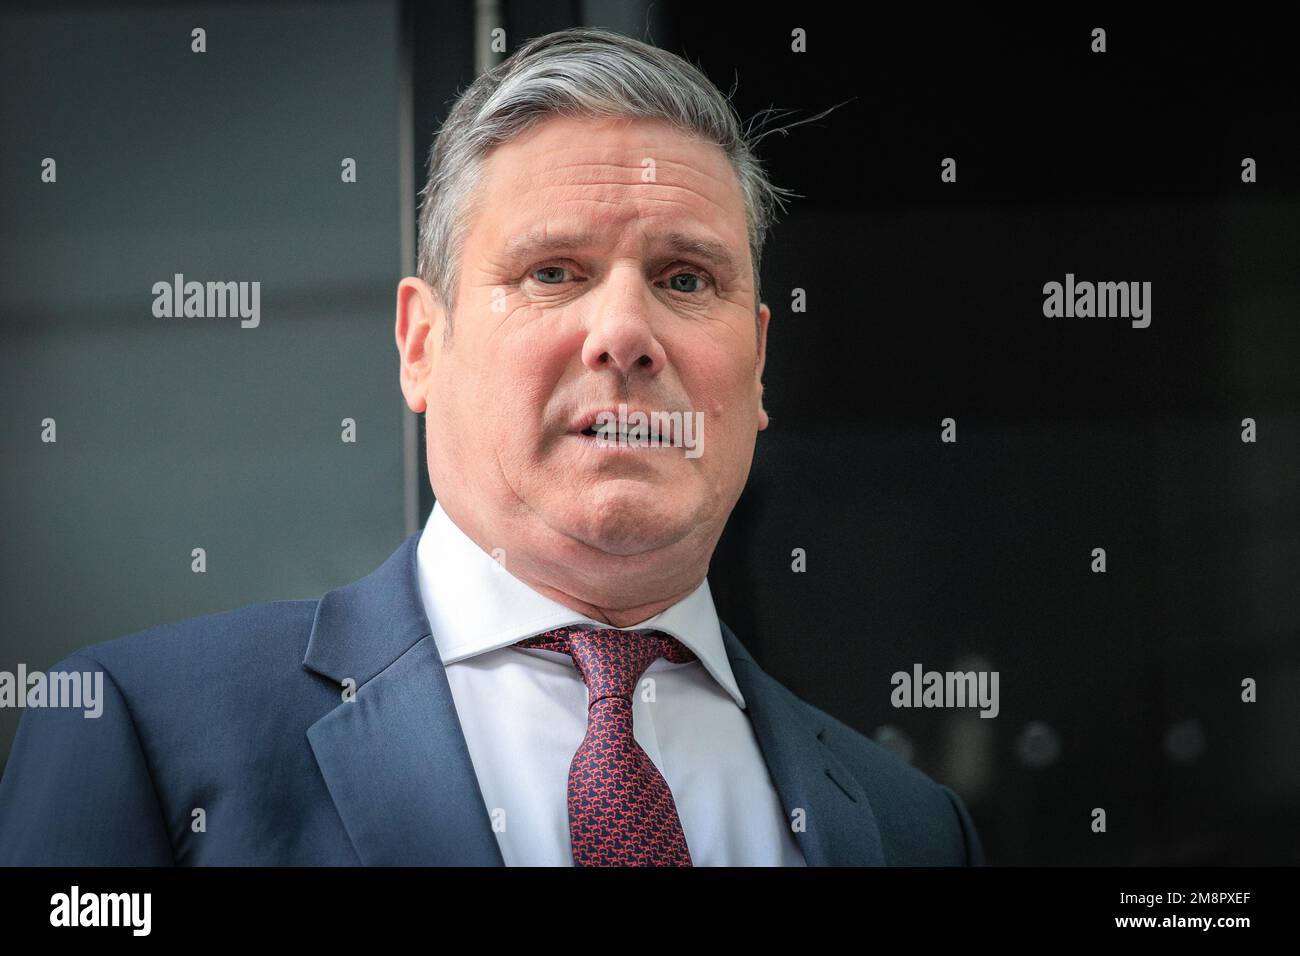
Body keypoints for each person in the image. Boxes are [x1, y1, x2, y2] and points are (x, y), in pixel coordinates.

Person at [0, 27, 985, 867]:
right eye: (554, 270)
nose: (626, 332)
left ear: (758, 365)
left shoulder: (911, 827)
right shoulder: (139, 731)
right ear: (423, 346)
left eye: (686, 279)